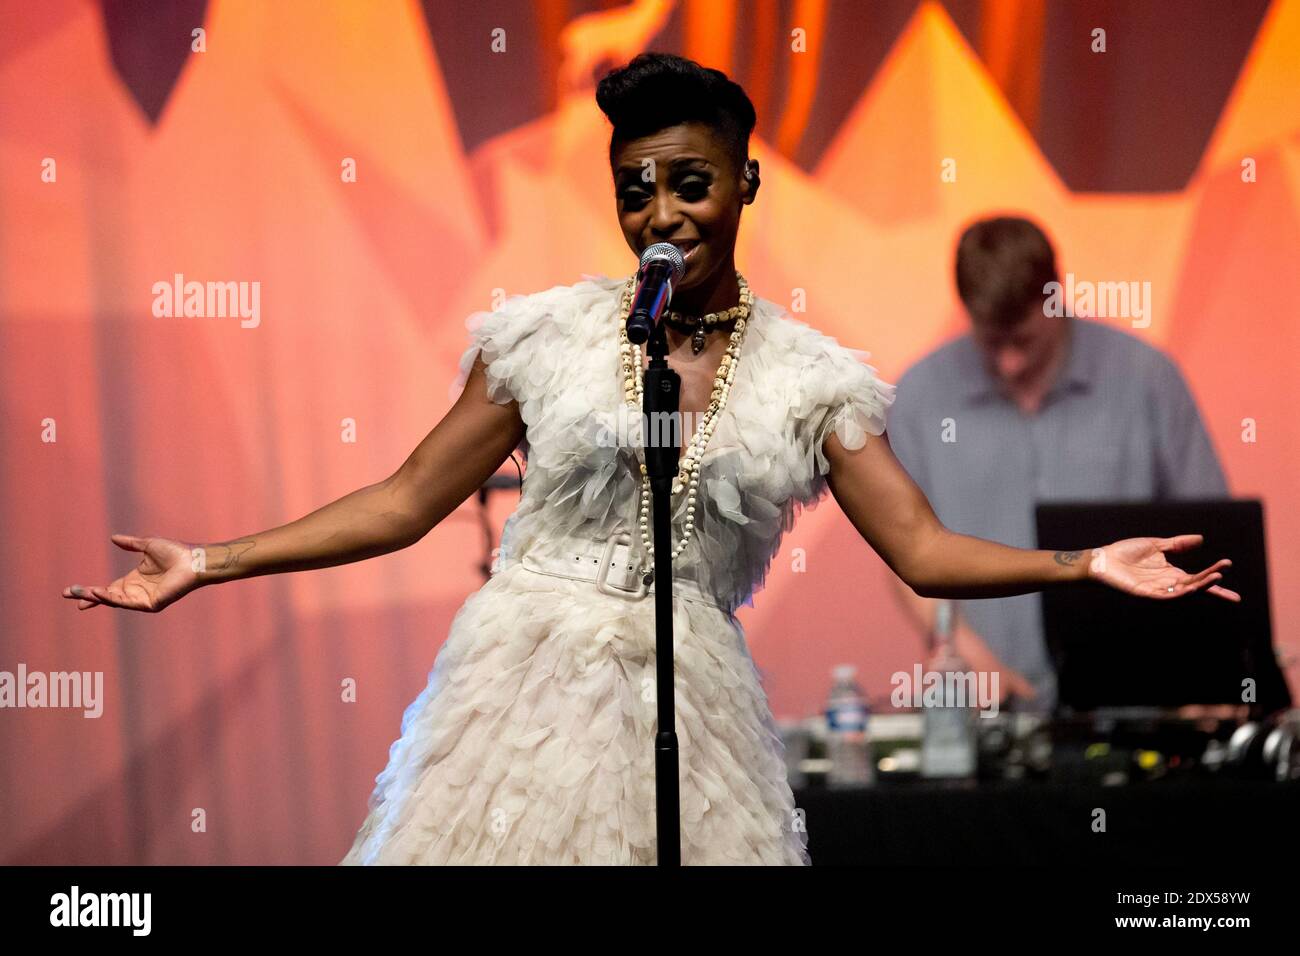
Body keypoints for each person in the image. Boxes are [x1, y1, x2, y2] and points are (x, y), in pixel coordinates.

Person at [62, 55, 1237, 865]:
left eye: (690, 183)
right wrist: (207, 560)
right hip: (518, 688)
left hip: (690, 702)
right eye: (636, 189)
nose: (662, 212)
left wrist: (1083, 565)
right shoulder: (551, 338)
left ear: (744, 183)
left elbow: (921, 549)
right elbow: (409, 497)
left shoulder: (807, 376)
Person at [887, 215, 1229, 712]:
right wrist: (967, 653)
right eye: (991, 343)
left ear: (1055, 295)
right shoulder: (919, 395)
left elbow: (1208, 536)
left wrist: (1213, 671)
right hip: (983, 714)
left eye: (1022, 340)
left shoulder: (1147, 379)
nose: (1009, 363)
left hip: (1140, 705)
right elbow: (903, 551)